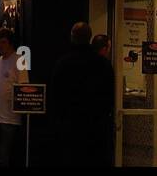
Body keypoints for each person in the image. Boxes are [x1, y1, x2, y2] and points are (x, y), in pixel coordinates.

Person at [49, 22, 114, 168]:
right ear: (89, 37)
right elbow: (109, 98)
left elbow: (56, 98)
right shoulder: (103, 65)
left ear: (72, 37)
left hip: (70, 129)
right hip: (96, 129)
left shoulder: (63, 64)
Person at [0, 27, 27, 167]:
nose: (0, 46)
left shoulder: (19, 61)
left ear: (10, 43)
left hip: (9, 119)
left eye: (3, 42)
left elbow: (23, 88)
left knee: (5, 156)